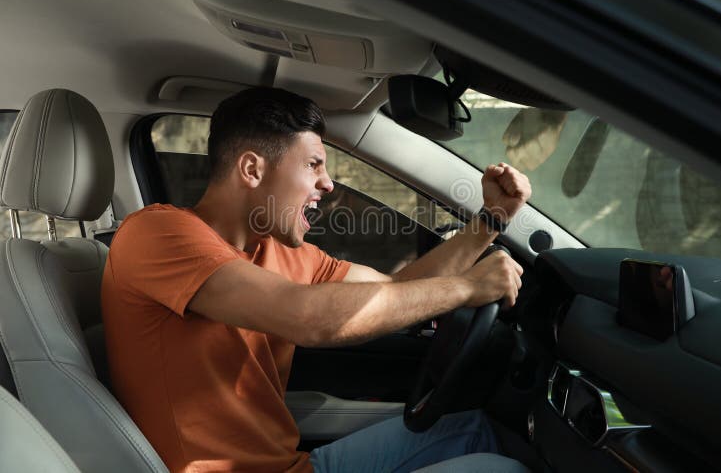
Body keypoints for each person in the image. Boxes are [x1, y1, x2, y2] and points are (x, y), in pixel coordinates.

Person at [102, 87, 532, 473]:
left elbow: (393, 292)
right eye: (313, 165)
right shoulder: (156, 234)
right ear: (252, 169)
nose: (328, 183)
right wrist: (470, 287)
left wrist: (490, 222)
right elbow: (309, 319)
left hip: (295, 466)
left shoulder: (279, 250)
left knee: (474, 431)